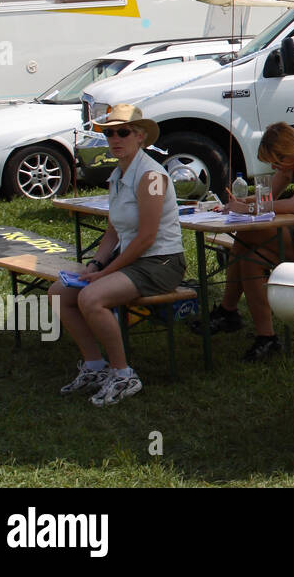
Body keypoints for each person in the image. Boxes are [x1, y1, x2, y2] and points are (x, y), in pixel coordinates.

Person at [50, 104, 185, 405]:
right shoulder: (118, 175)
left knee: (91, 298)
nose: (114, 138)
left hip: (161, 262)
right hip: (134, 259)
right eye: (109, 133)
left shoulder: (150, 175)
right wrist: (96, 263)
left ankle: (123, 375)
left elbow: (147, 237)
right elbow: (112, 232)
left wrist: (105, 273)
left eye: (122, 132)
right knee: (60, 292)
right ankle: (95, 366)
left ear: (140, 137)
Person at [193, 122, 294, 361]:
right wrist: (237, 203)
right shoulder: (293, 164)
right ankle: (264, 336)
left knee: (249, 237)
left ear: (289, 152)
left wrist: (249, 208)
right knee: (249, 256)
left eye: (276, 162)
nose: (274, 167)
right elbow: (268, 196)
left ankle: (228, 312)